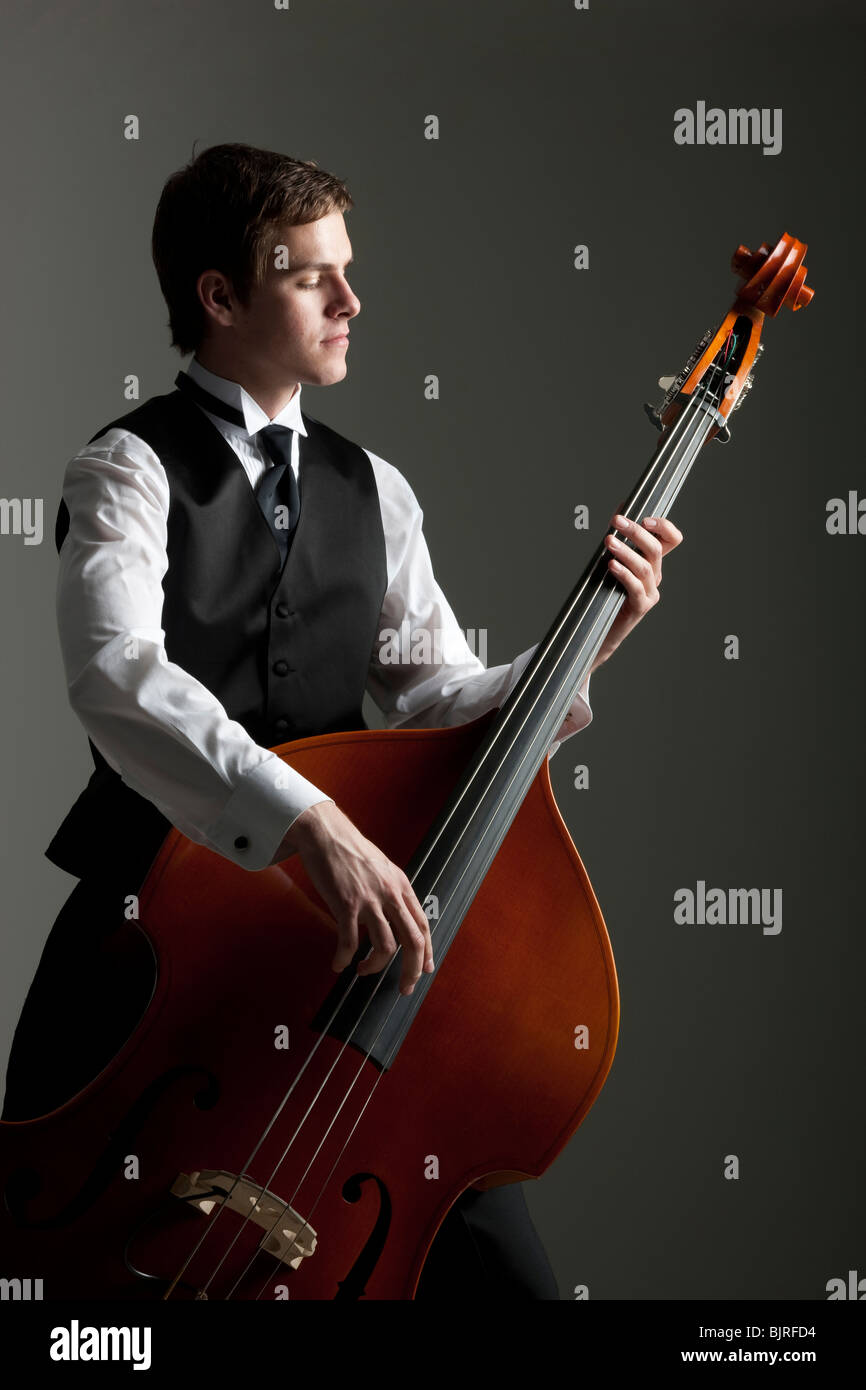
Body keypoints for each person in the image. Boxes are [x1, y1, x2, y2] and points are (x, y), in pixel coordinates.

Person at [1, 142, 682, 1299]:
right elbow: (120, 672)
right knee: (80, 1281)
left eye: (348, 270)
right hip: (154, 942)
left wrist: (583, 642)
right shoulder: (124, 471)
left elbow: (432, 698)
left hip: (330, 962)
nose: (351, 300)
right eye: (313, 275)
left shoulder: (377, 491)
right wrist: (310, 821)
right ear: (219, 297)